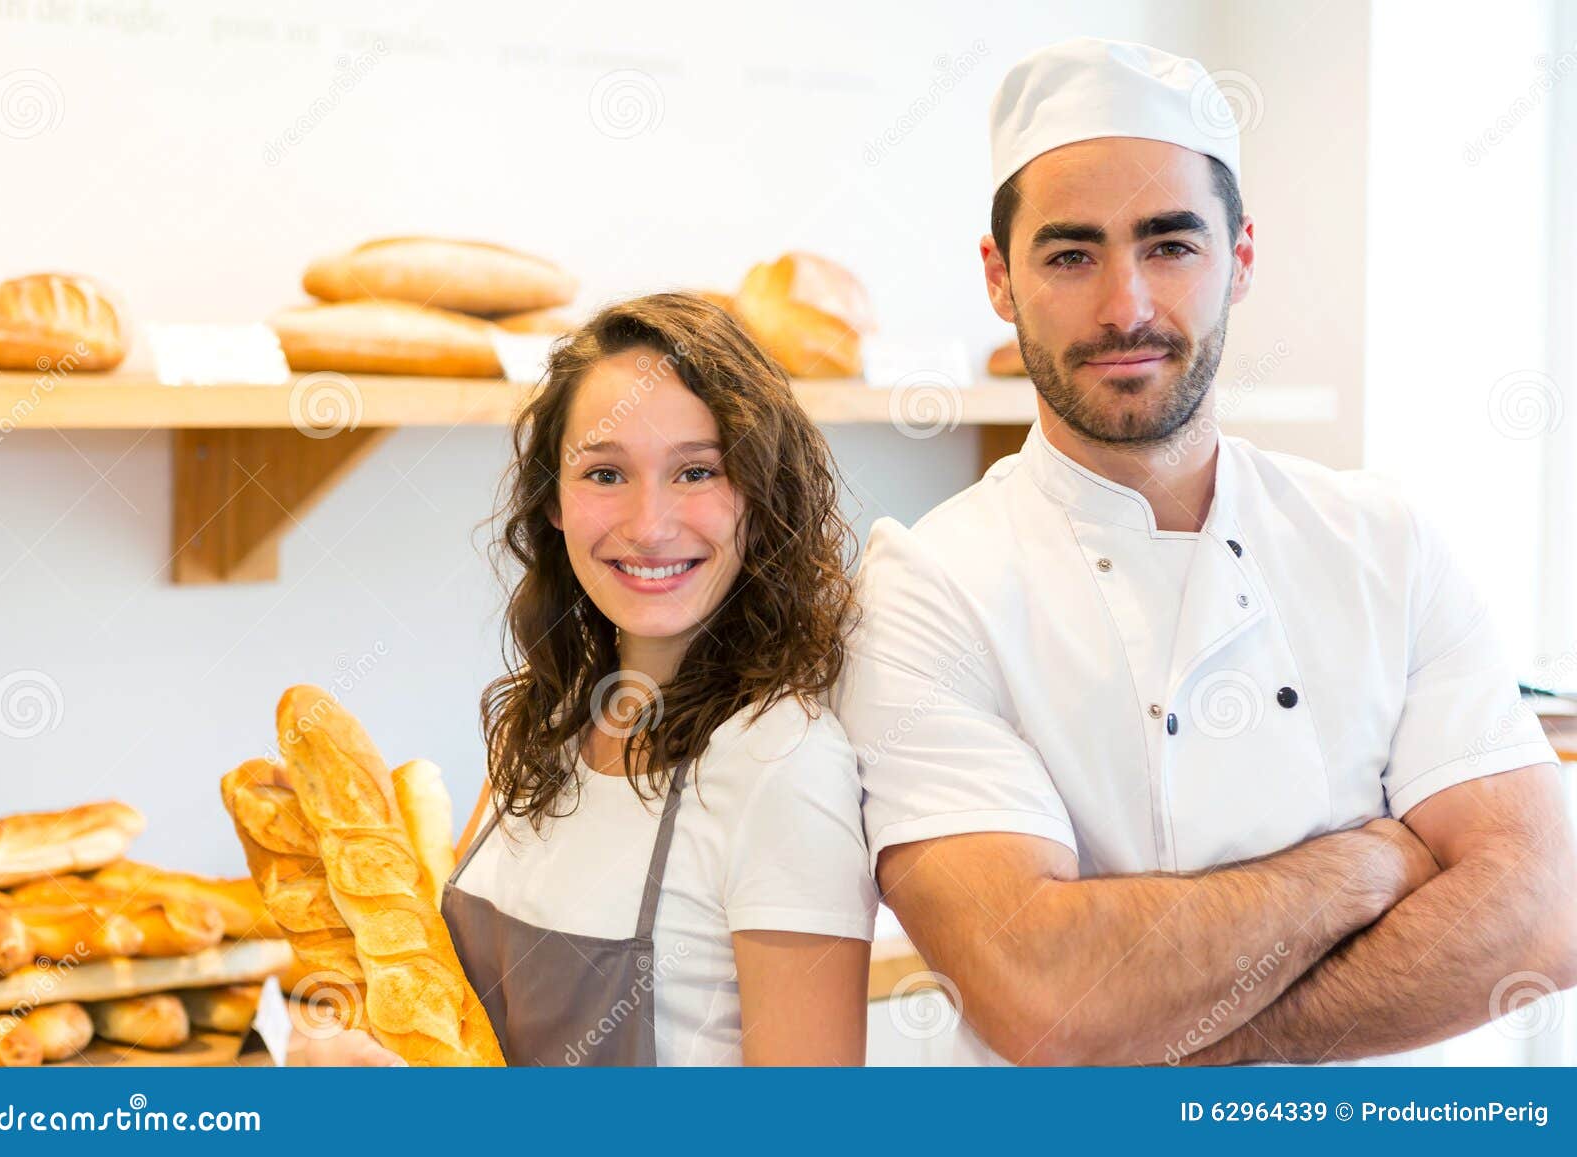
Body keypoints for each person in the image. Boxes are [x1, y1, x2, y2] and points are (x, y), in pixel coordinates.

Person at [831, 37, 1576, 1066]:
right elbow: (1039, 995)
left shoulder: (1384, 543)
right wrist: (1363, 867)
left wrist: (1173, 1051)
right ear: (998, 279)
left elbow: (1540, 910)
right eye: (1069, 254)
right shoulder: (926, 588)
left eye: (1170, 245)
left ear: (1242, 257)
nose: (1126, 306)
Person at [298, 293, 876, 1066]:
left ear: (761, 496)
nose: (648, 523)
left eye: (697, 470)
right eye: (605, 472)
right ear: (555, 502)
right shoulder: (544, 723)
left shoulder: (784, 765)